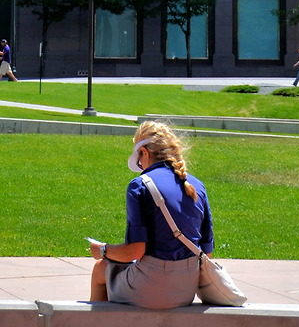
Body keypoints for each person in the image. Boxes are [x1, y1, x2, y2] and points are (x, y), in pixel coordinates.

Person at [88, 120, 214, 307]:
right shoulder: (197, 186)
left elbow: (135, 250)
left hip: (150, 287)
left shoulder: (140, 186)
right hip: (186, 288)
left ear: (144, 153)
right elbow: (208, 252)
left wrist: (103, 250)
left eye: (139, 160)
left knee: (101, 269)